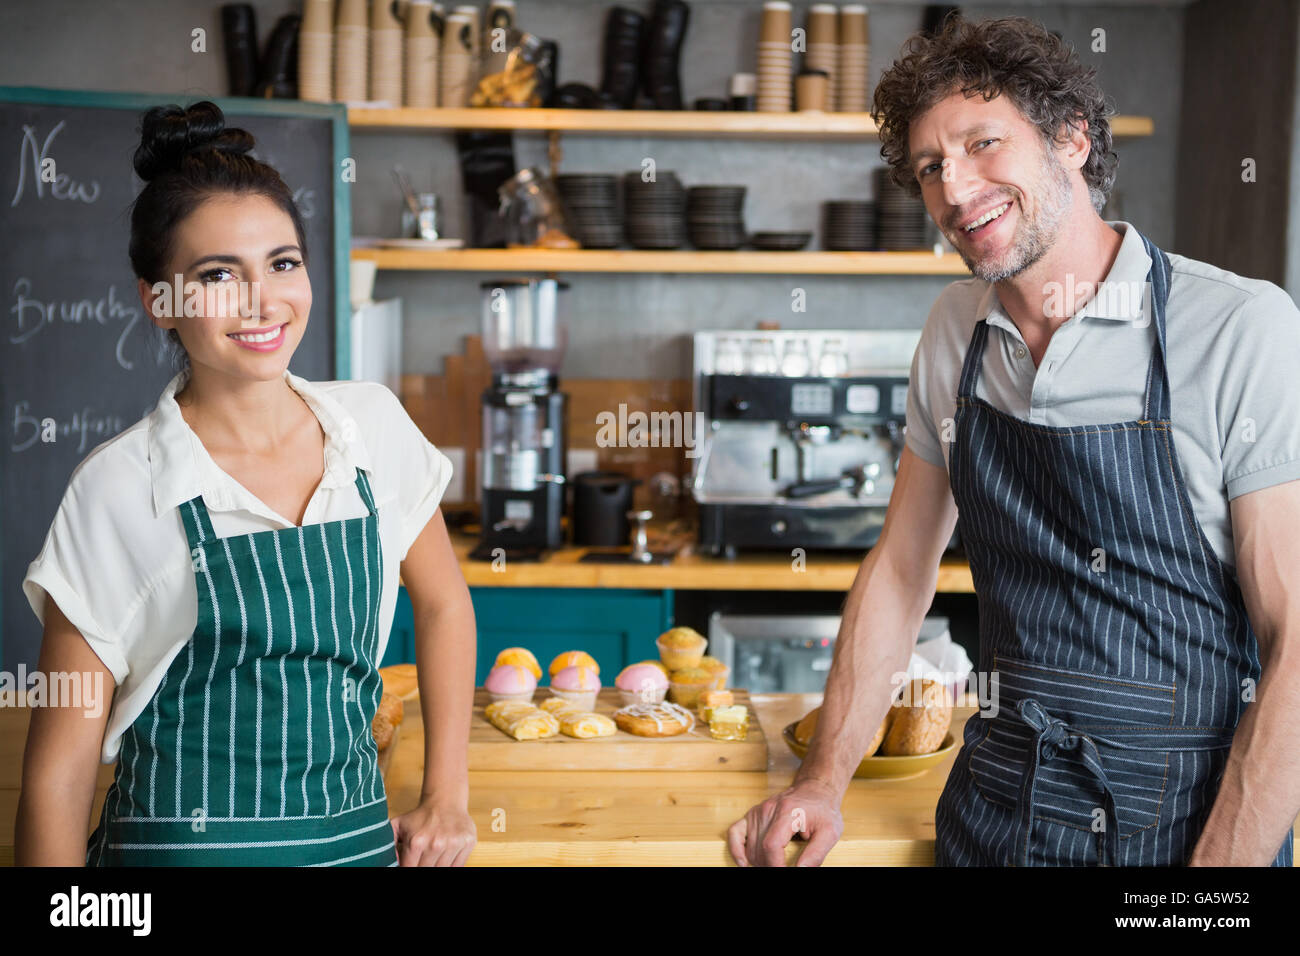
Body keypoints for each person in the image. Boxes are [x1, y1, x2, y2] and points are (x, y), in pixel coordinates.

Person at [728, 16, 1300, 866]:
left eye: (983, 143)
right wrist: (821, 779)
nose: (955, 189)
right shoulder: (955, 329)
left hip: (1176, 834)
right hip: (993, 816)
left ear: (1071, 139)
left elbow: (1294, 641)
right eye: (930, 167)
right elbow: (898, 570)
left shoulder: (1235, 327)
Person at [15, 101, 478, 866]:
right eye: (218, 275)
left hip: (353, 850)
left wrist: (447, 795)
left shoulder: (372, 430)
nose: (263, 301)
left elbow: (444, 603)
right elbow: (59, 769)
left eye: (282, 263)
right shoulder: (117, 489)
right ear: (157, 300)